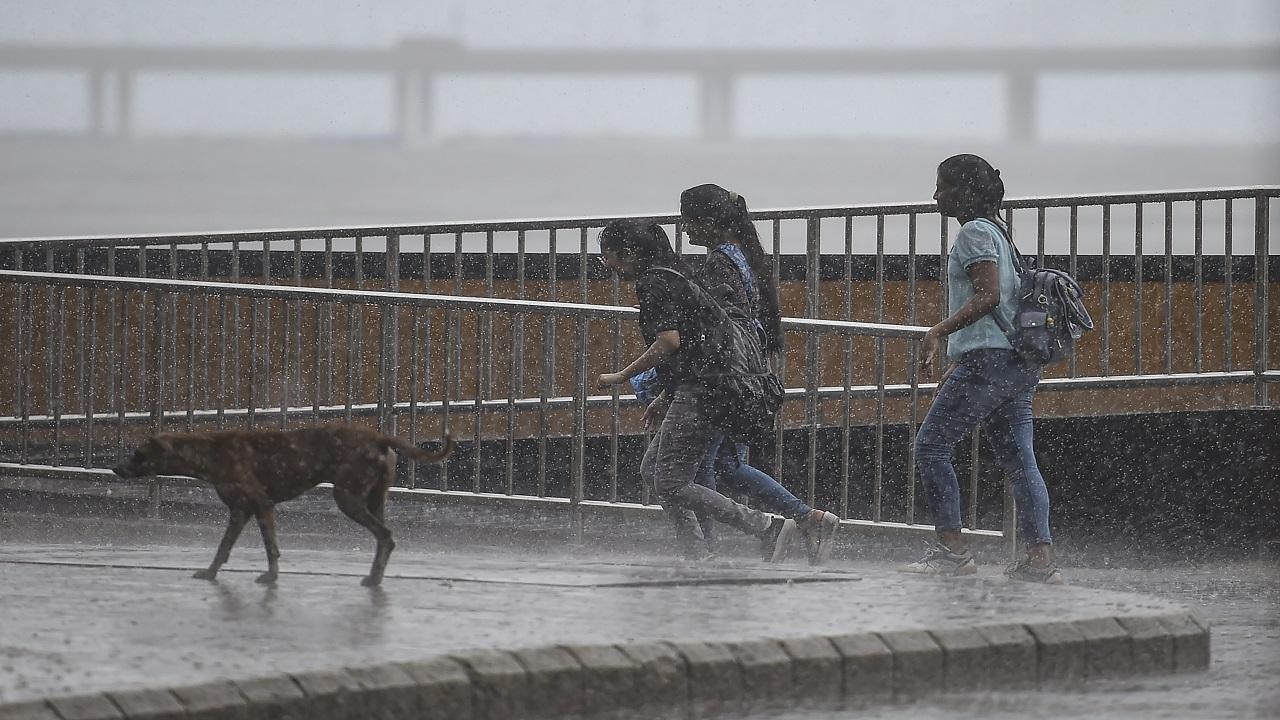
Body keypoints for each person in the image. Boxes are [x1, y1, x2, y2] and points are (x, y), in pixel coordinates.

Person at [595, 218, 796, 563]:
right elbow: (694, 344)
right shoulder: (676, 273)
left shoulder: (653, 283)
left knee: (671, 481)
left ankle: (766, 526)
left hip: (705, 391)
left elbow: (670, 342)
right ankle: (697, 553)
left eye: (608, 257)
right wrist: (664, 396)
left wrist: (623, 374)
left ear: (628, 253)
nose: (609, 266)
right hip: (708, 386)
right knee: (653, 472)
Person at [902, 154, 1062, 584]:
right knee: (1019, 460)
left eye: (942, 186)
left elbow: (988, 296)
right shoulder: (999, 231)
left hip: (989, 362)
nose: (936, 195)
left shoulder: (973, 232)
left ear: (964, 192)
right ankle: (1040, 560)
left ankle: (952, 552)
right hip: (1017, 362)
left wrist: (939, 331)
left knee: (931, 447)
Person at [678, 183, 840, 565]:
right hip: (745, 375)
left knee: (702, 469)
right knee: (727, 467)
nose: (684, 230)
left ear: (707, 222)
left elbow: (716, 326)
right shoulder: (743, 257)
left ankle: (708, 551)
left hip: (725, 377)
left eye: (688, 221)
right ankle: (806, 518)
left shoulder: (720, 263)